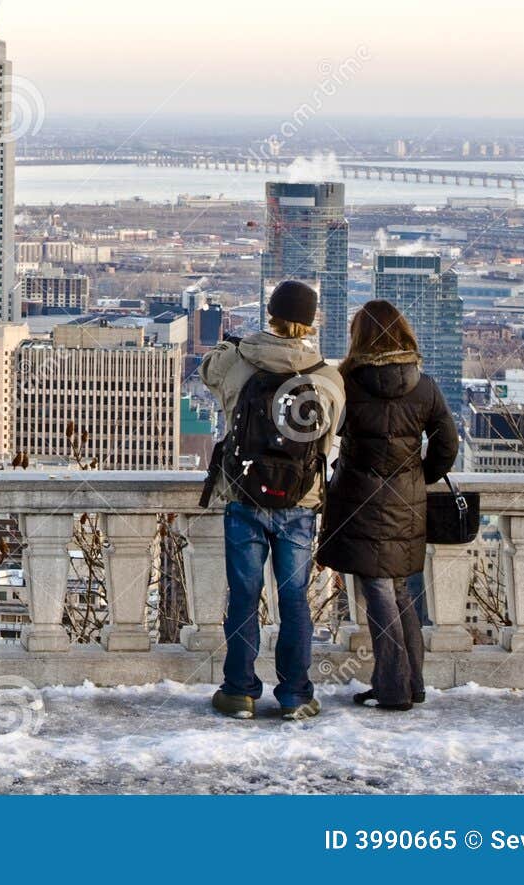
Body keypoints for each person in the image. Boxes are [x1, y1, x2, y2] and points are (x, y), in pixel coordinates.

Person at [198, 280, 344, 721]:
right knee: (295, 596)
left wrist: (232, 343)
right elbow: (328, 438)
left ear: (270, 313)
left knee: (244, 594)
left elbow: (207, 373)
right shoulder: (328, 377)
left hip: (243, 494)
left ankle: (239, 691)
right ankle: (296, 695)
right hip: (300, 501)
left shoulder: (236, 361)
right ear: (312, 319)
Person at [316, 299, 458, 712]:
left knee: (379, 592)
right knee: (399, 592)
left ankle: (394, 688)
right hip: (406, 502)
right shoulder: (424, 385)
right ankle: (411, 684)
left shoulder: (347, 383)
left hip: (360, 502)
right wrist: (418, 476)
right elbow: (447, 444)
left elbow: (327, 431)